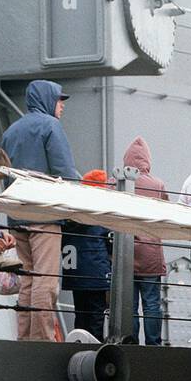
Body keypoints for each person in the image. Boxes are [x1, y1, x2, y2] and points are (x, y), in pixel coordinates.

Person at [1, 80, 78, 340]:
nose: (62, 106)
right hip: (45, 215)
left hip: (17, 214)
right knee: (46, 280)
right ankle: (42, 340)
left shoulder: (11, 130)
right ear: (47, 100)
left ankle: (24, 339)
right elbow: (64, 172)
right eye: (59, 100)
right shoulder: (50, 126)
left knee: (27, 280)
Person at [122, 136, 168, 346]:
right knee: (151, 304)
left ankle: (130, 343)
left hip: (126, 254)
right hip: (150, 254)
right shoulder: (157, 184)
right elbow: (166, 213)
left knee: (129, 306)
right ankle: (154, 344)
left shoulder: (117, 182)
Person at [61, 170, 112, 341]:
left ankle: (78, 345)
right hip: (96, 272)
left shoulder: (71, 212)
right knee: (96, 316)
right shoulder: (99, 213)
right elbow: (109, 241)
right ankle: (94, 350)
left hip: (74, 272)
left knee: (80, 314)